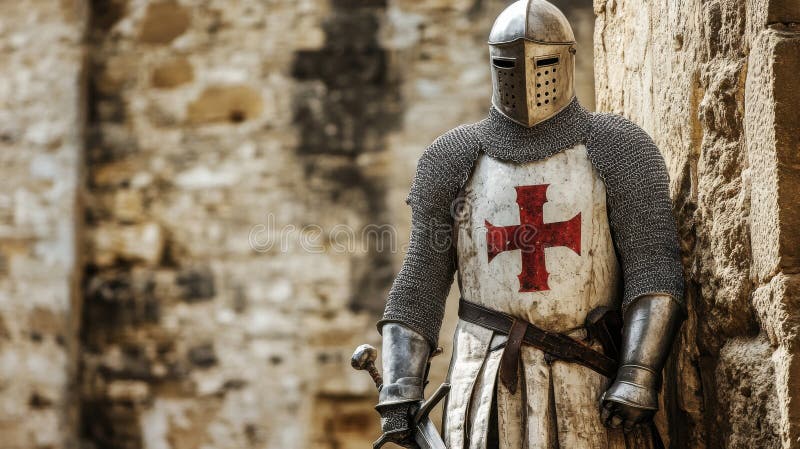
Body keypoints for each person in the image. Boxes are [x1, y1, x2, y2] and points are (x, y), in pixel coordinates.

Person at [374, 1, 685, 448]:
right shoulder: (451, 158)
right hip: (483, 382)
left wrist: (639, 372)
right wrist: (400, 387)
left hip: (589, 375)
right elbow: (419, 283)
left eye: (542, 63)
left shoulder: (618, 147)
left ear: (567, 58)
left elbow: (653, 265)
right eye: (508, 64)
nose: (527, 78)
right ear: (492, 63)